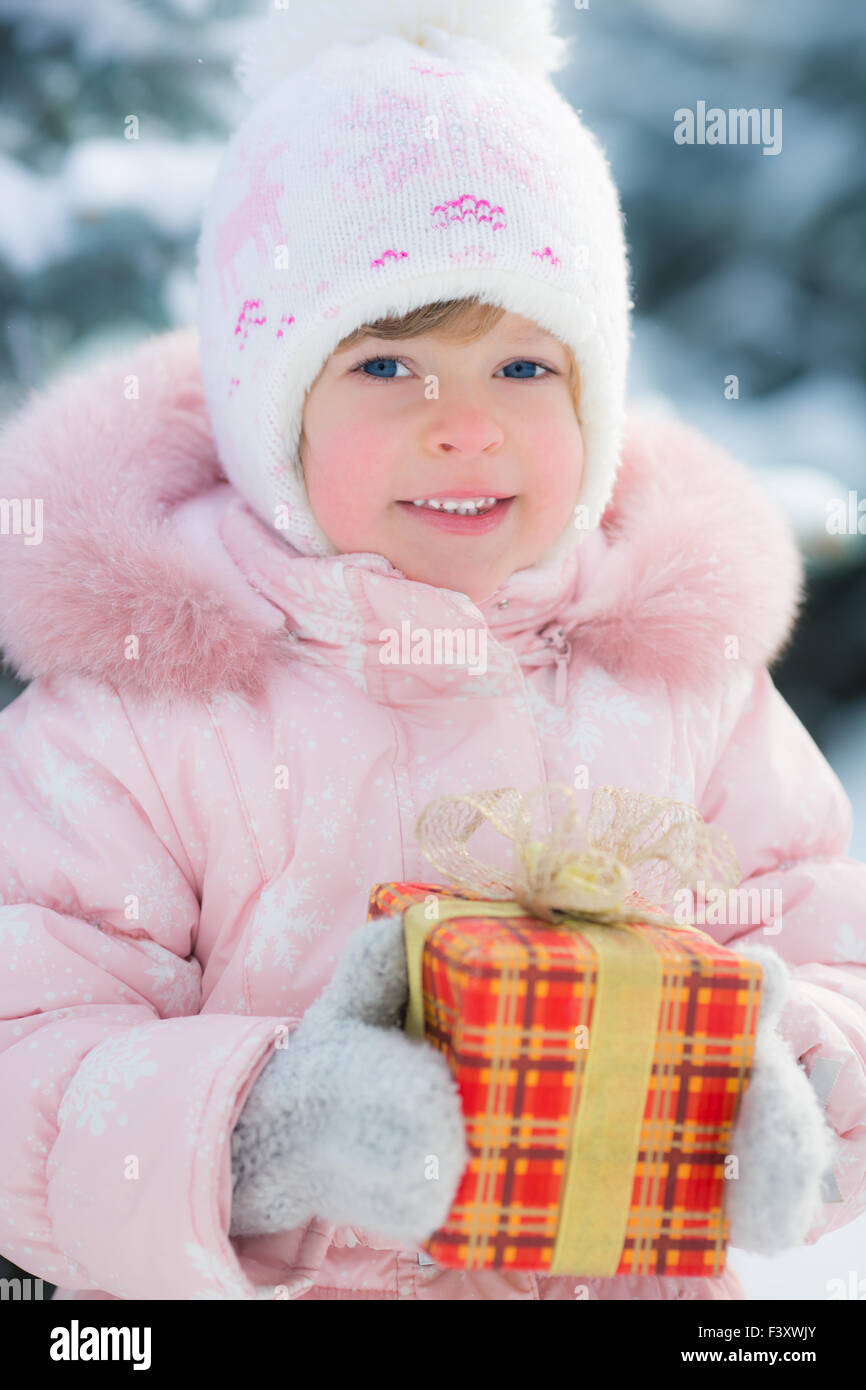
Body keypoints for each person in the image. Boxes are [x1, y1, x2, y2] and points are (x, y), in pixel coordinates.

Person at [0, 0, 862, 1302]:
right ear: (267, 411)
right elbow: (26, 1042)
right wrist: (256, 1138)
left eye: (523, 368)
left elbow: (822, 942)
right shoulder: (142, 708)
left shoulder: (680, 682)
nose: (465, 425)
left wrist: (795, 1083)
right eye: (390, 364)